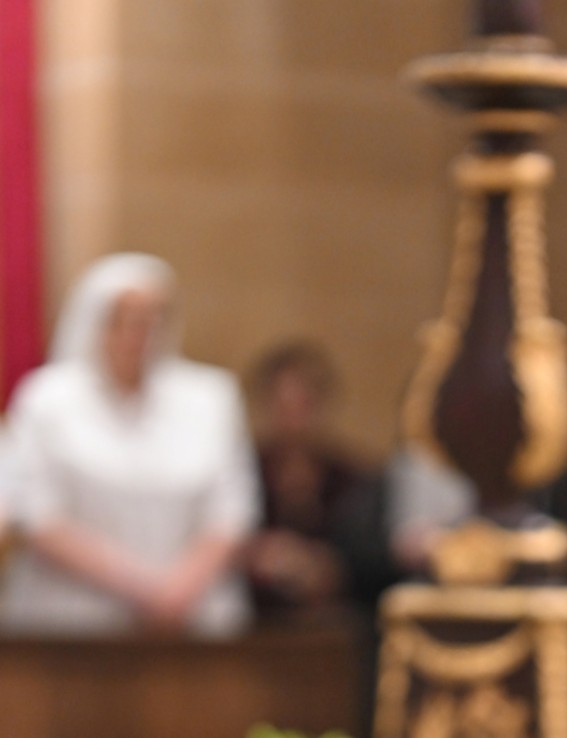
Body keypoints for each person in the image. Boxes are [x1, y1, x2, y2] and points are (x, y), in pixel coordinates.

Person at [0, 254, 258, 636]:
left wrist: (176, 593)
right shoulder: (48, 399)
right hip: (75, 618)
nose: (141, 331)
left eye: (155, 316)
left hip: (191, 616)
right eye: (125, 318)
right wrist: (143, 589)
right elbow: (36, 513)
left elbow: (232, 509)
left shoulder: (209, 397)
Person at [245, 340, 375, 621]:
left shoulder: (352, 479)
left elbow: (369, 564)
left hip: (333, 628)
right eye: (283, 404)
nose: (294, 417)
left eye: (303, 403)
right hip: (257, 625)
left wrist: (325, 567)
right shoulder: (243, 473)